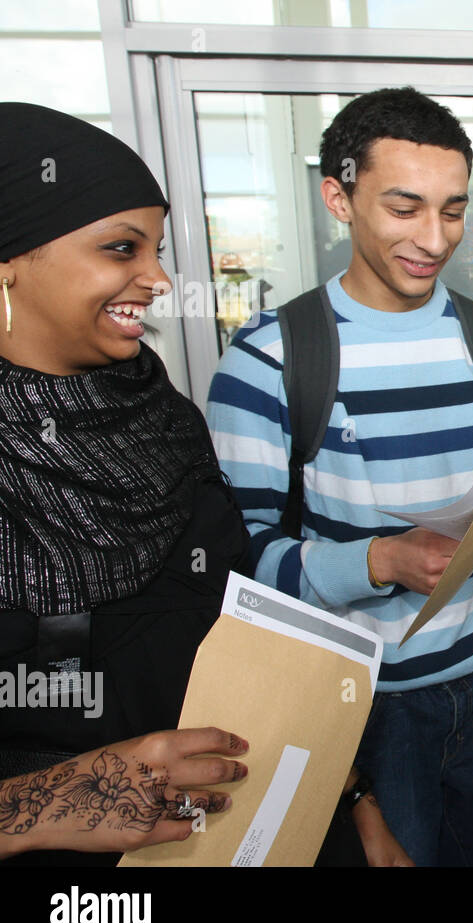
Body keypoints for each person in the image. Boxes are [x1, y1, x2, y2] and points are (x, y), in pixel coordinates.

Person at [206, 87, 473, 866]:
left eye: (453, 210)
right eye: (405, 208)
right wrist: (379, 561)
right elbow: (239, 562)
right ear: (339, 197)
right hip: (358, 695)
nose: (434, 239)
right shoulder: (268, 360)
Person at [0, 103, 247, 862]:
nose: (161, 279)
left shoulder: (164, 415)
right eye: (120, 249)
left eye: (157, 249)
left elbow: (235, 630)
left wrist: (352, 789)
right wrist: (45, 802)